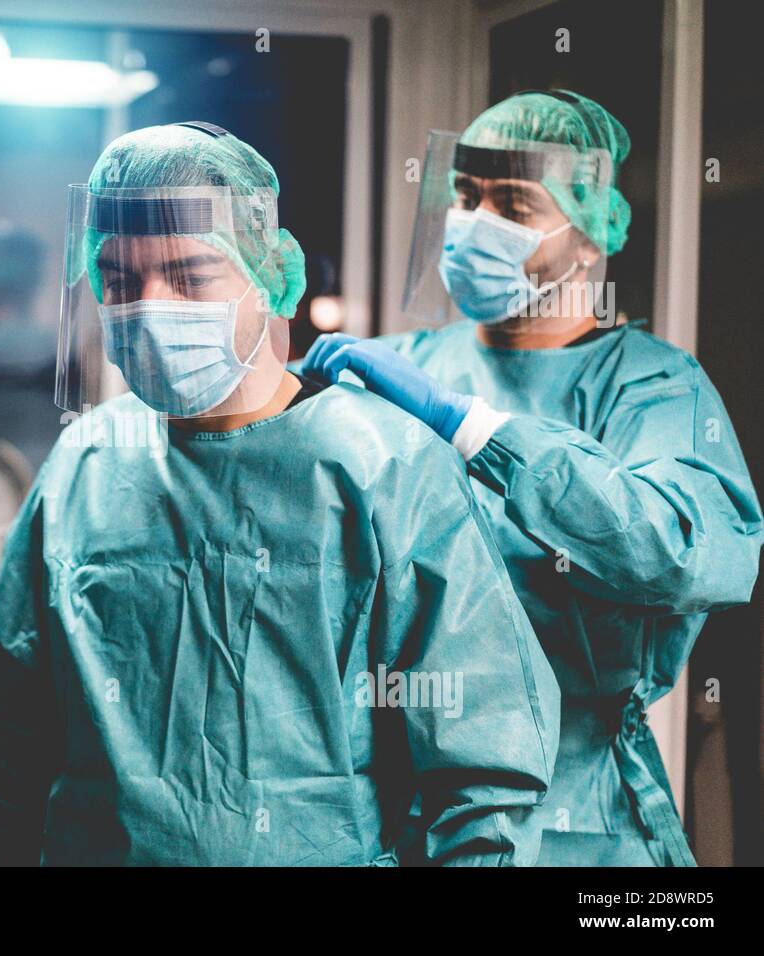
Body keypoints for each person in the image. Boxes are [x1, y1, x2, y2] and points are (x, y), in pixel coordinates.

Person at [0, 122, 560, 866]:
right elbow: (13, 752)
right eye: (118, 281)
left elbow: (482, 774)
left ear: (271, 275)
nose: (149, 306)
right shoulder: (85, 461)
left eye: (189, 276)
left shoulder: (382, 465)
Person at [303, 90, 762, 866]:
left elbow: (686, 551)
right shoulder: (404, 368)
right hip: (401, 799)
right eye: (466, 196)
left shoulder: (652, 387)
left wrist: (476, 428)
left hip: (577, 817)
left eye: (513, 202)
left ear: (591, 235)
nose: (476, 220)